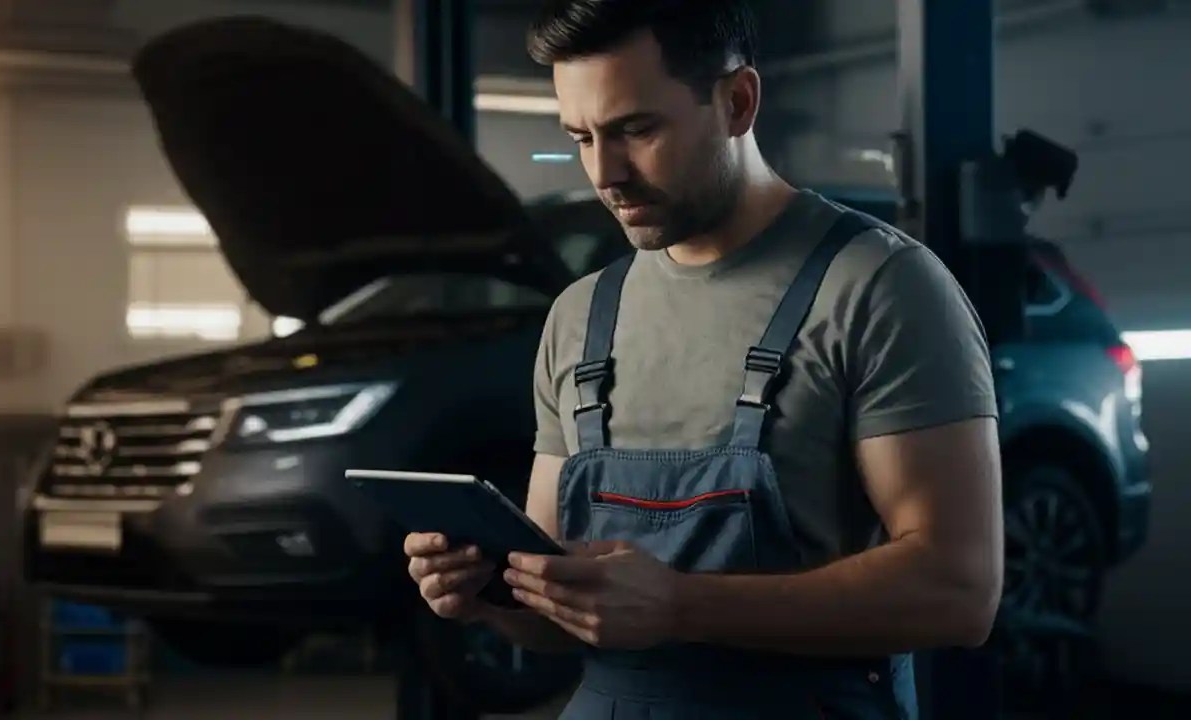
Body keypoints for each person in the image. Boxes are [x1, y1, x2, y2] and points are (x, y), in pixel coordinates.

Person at [404, 1, 1003, 717]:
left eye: (636, 130)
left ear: (738, 102)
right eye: (581, 137)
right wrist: (491, 596)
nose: (605, 172)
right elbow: (558, 620)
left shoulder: (881, 288)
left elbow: (958, 590)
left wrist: (681, 606)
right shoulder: (579, 318)